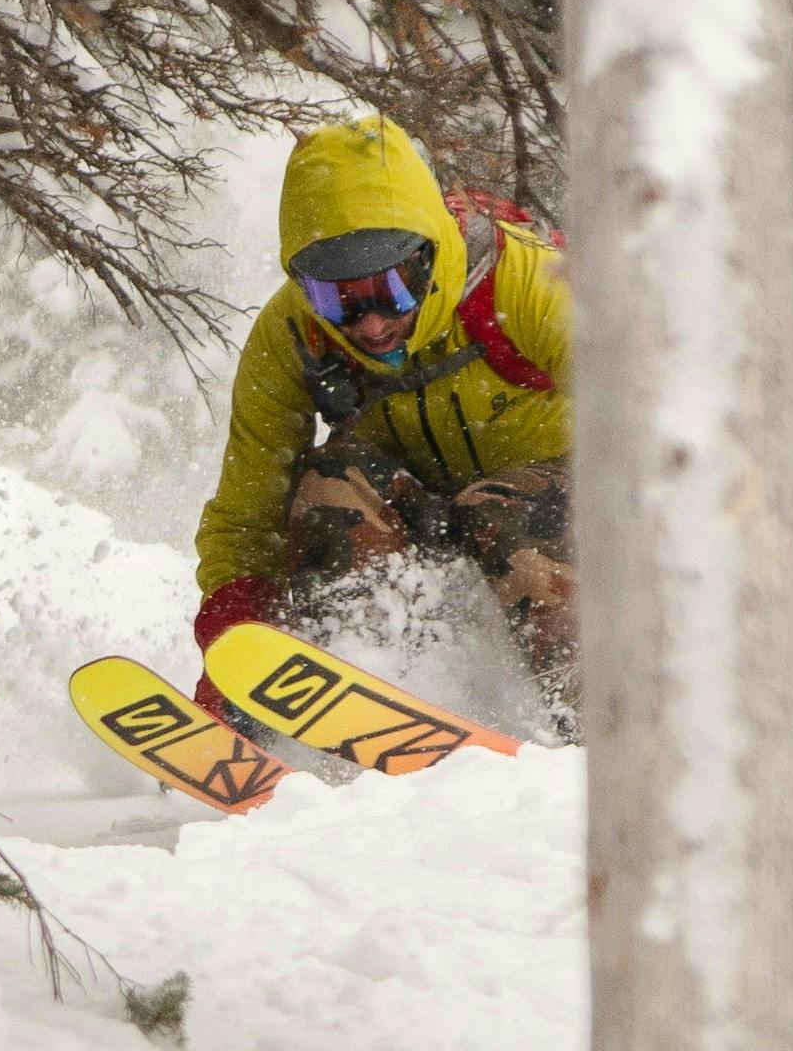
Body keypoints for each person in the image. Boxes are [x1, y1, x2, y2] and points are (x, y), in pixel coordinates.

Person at [192, 115, 576, 718]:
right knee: (331, 484)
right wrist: (236, 633)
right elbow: (249, 509)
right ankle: (363, 697)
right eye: (337, 300)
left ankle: (597, 708)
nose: (370, 324)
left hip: (555, 514)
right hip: (423, 522)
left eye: (391, 290)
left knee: (497, 507)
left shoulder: (526, 284)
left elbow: (661, 428)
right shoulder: (293, 333)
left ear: (427, 259)